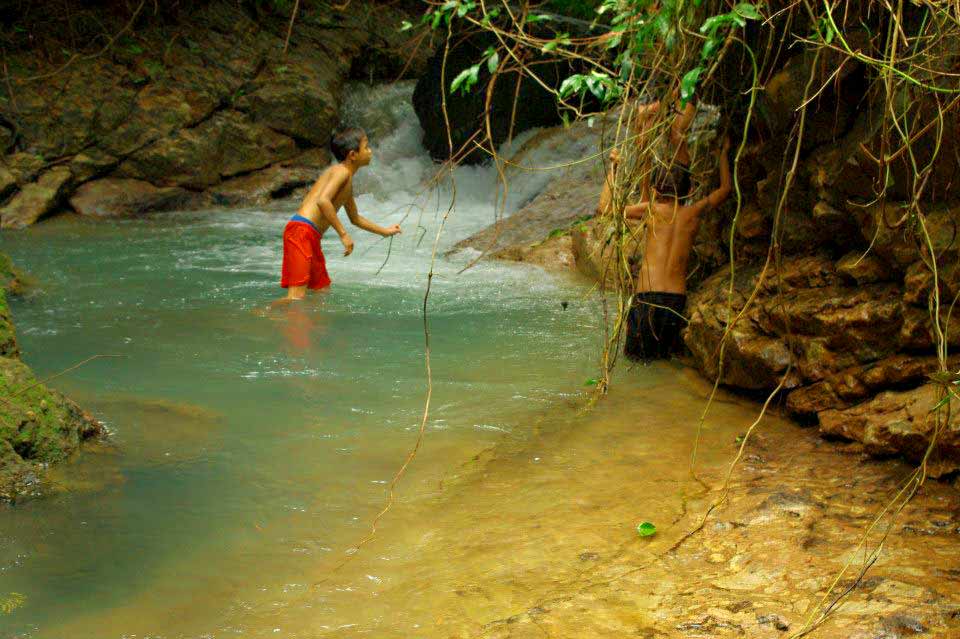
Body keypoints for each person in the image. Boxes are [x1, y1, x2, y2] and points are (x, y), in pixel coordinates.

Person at [610, 133, 732, 361]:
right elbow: (725, 190)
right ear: (687, 190)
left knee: (636, 361)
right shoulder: (692, 213)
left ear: (656, 189)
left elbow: (606, 209)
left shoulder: (651, 210)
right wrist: (723, 155)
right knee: (662, 359)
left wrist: (613, 170)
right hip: (675, 300)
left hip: (646, 297)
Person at [279, 127, 401, 301]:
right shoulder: (341, 172)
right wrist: (343, 235)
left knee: (322, 291)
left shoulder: (346, 180)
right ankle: (258, 317)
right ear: (353, 155)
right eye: (366, 147)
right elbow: (323, 201)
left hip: (310, 235)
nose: (370, 151)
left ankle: (311, 327)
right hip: (301, 232)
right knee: (296, 297)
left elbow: (355, 218)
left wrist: (385, 231)